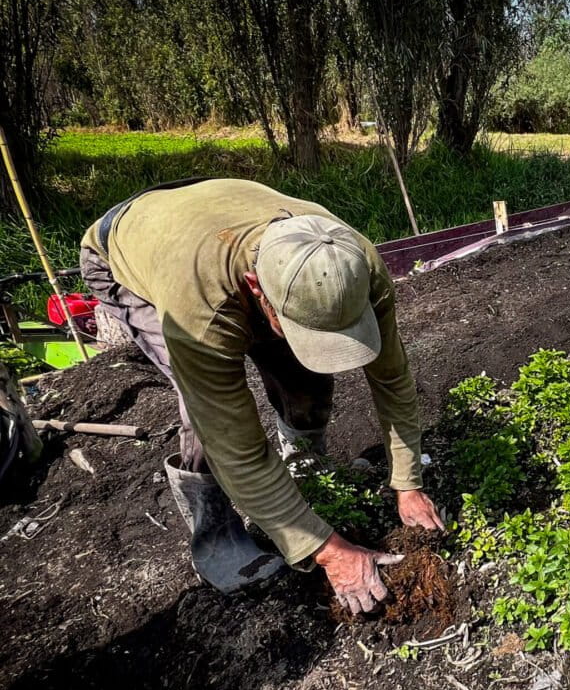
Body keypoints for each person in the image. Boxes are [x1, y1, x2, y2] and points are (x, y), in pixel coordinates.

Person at [79, 178, 443, 614]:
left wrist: (407, 480)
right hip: (131, 249)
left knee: (304, 376)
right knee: (203, 416)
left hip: (216, 214)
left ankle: (303, 472)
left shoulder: (354, 263)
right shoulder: (200, 308)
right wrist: (326, 549)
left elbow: (392, 379)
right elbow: (237, 445)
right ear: (256, 288)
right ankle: (214, 534)